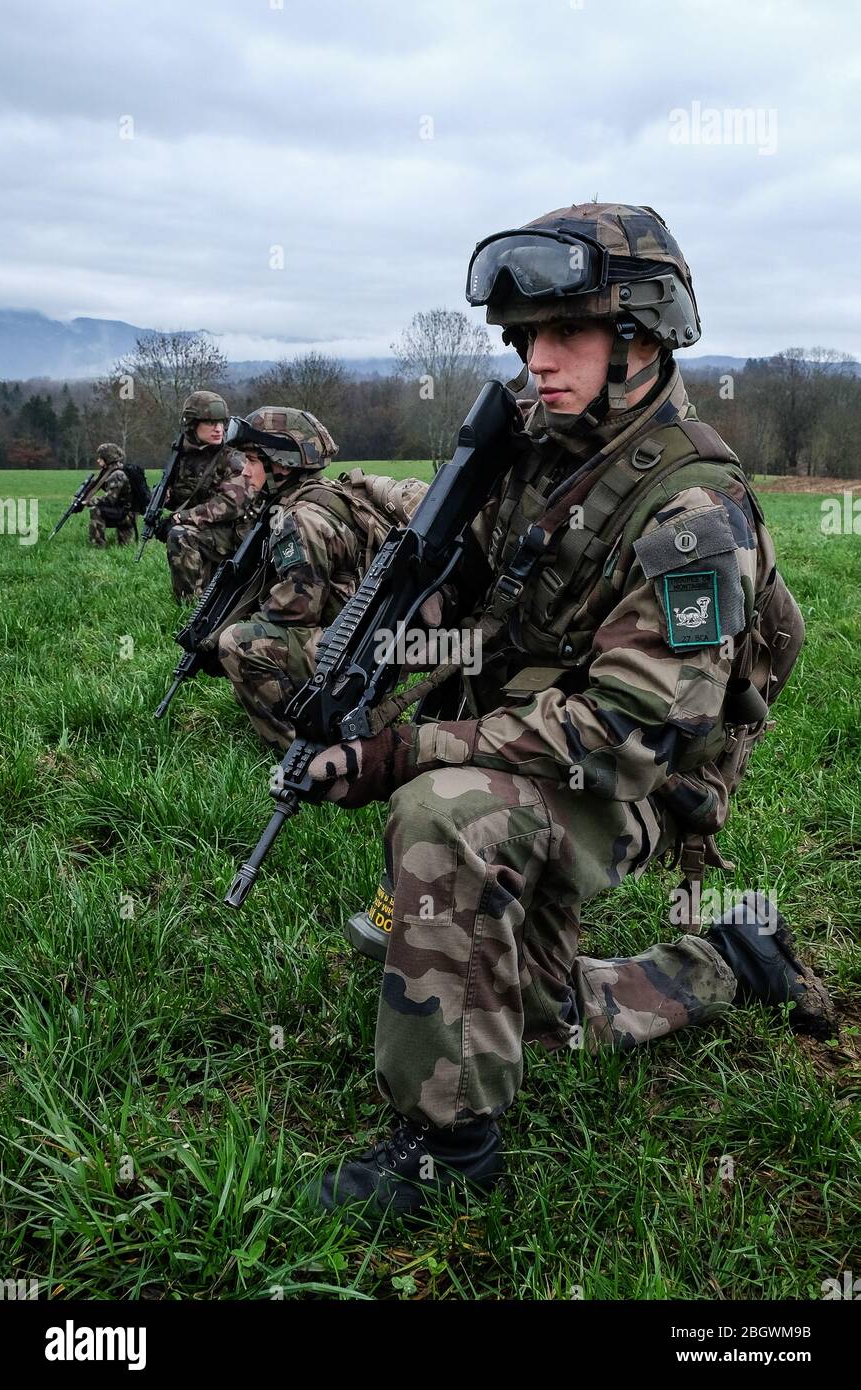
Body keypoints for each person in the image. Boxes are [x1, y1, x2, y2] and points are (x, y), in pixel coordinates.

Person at [296, 202, 836, 1222]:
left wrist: (405, 749)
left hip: (628, 782)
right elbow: (485, 590)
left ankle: (447, 1149)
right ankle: (725, 958)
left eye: (566, 334)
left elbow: (632, 722)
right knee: (537, 1009)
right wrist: (400, 635)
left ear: (642, 333)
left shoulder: (692, 511)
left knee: (439, 812)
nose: (537, 359)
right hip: (539, 740)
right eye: (525, 337)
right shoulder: (538, 448)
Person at [218, 409, 425, 749]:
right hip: (377, 636)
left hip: (356, 650)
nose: (245, 470)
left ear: (281, 464)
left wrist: (238, 620)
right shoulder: (327, 493)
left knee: (239, 643)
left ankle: (305, 748)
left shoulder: (299, 519)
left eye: (253, 460)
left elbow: (294, 612)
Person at [162, 390, 257, 602]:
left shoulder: (234, 457)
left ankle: (190, 606)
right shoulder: (184, 456)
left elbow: (230, 504)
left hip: (239, 532)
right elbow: (187, 494)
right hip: (214, 528)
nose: (218, 429)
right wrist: (167, 497)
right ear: (191, 425)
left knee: (181, 534)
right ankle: (205, 593)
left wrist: (182, 517)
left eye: (221, 423)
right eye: (209, 423)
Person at [87, 443, 133, 546]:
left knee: (96, 510)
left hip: (125, 514)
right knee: (125, 547)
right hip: (126, 511)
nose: (98, 460)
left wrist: (89, 501)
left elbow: (109, 500)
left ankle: (97, 545)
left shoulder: (116, 474)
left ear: (108, 458)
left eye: (100, 458)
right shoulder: (114, 470)